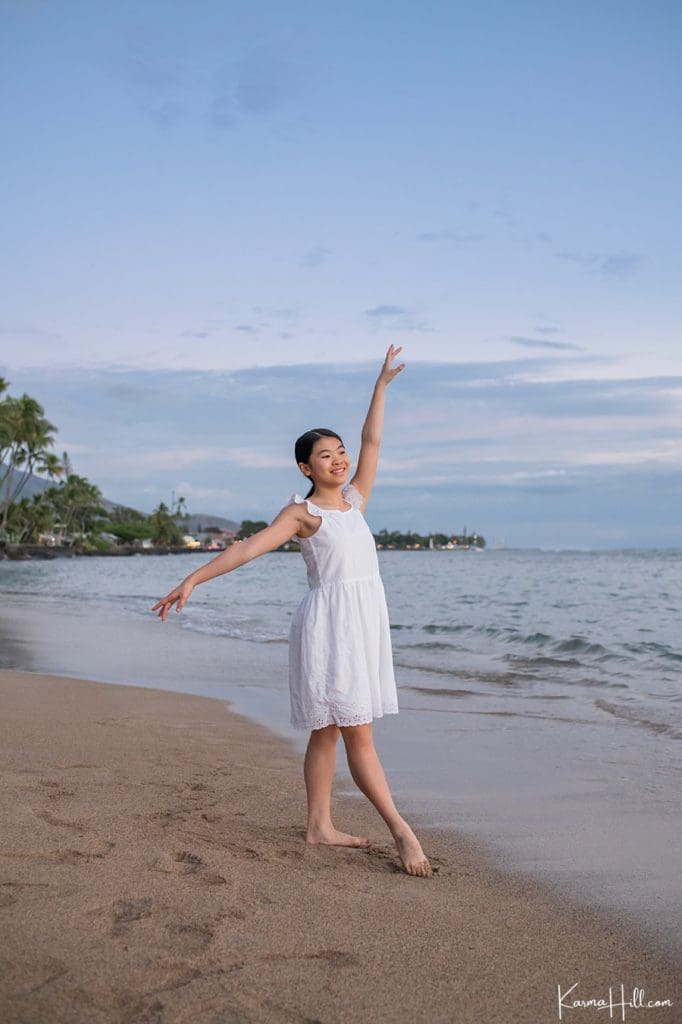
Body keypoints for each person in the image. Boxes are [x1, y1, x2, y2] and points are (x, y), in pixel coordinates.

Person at [152, 345, 432, 877]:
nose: (340, 459)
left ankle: (319, 826)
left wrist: (380, 387)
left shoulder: (356, 500)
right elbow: (247, 549)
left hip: (362, 623)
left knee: (327, 730)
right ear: (306, 467)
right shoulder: (302, 515)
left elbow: (373, 440)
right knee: (356, 733)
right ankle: (403, 831)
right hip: (331, 627)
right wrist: (191, 578)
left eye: (341, 452)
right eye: (326, 455)